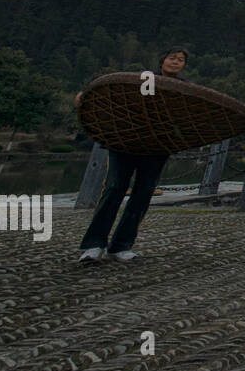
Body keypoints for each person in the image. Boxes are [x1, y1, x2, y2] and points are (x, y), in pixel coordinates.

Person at [76, 47, 191, 264]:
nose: (176, 62)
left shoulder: (185, 89)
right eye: (172, 58)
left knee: (143, 193)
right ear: (163, 59)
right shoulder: (145, 79)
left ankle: (121, 246)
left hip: (157, 147)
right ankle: (94, 245)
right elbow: (122, 101)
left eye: (181, 60)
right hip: (127, 142)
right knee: (114, 188)